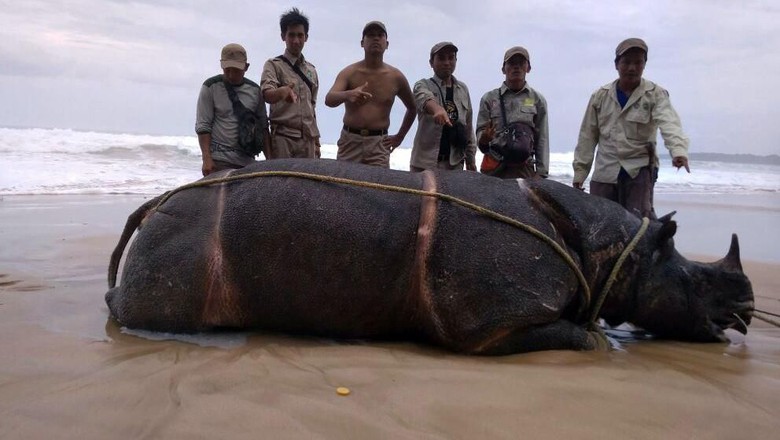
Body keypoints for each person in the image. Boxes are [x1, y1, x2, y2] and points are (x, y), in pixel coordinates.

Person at [572, 38, 690, 219]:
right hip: (606, 171)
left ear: (644, 65)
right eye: (626, 62)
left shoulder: (655, 94)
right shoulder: (600, 96)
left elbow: (669, 123)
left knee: (639, 226)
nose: (632, 68)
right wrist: (580, 172)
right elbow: (587, 136)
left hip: (639, 170)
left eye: (638, 62)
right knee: (598, 224)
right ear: (616, 65)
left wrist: (678, 151)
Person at [324, 21, 415, 168]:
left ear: (387, 43)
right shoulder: (350, 72)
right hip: (350, 141)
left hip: (379, 144)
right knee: (343, 187)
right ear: (362, 43)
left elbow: (412, 107)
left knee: (378, 188)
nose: (376, 39)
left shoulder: (396, 77)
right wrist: (348, 94)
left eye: (380, 35)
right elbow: (329, 99)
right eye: (371, 35)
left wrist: (399, 137)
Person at [195, 43, 269, 176]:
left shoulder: (255, 91)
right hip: (218, 161)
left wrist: (271, 161)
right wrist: (206, 158)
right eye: (227, 69)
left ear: (246, 67)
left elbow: (263, 127)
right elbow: (203, 125)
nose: (230, 74)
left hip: (247, 162)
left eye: (236, 70)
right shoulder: (210, 87)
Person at [476, 46, 549, 179]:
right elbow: (480, 136)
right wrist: (484, 139)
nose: (517, 67)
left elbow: (542, 138)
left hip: (524, 169)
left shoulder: (537, 100)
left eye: (521, 63)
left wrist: (541, 173)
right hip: (494, 170)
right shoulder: (489, 99)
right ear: (503, 69)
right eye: (511, 63)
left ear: (528, 68)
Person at [261, 7, 321, 159]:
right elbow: (266, 94)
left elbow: (312, 108)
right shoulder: (274, 65)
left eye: (300, 35)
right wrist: (282, 92)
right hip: (283, 138)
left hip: (308, 140)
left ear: (306, 37)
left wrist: (317, 142)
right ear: (283, 36)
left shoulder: (311, 71)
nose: (296, 40)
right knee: (281, 183)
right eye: (291, 35)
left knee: (307, 183)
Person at [410, 42, 477, 172]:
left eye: (451, 58)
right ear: (431, 62)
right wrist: (437, 109)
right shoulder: (422, 85)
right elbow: (423, 97)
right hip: (425, 164)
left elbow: (468, 127)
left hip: (455, 165)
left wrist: (471, 160)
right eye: (441, 58)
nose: (447, 62)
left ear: (456, 60)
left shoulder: (463, 89)